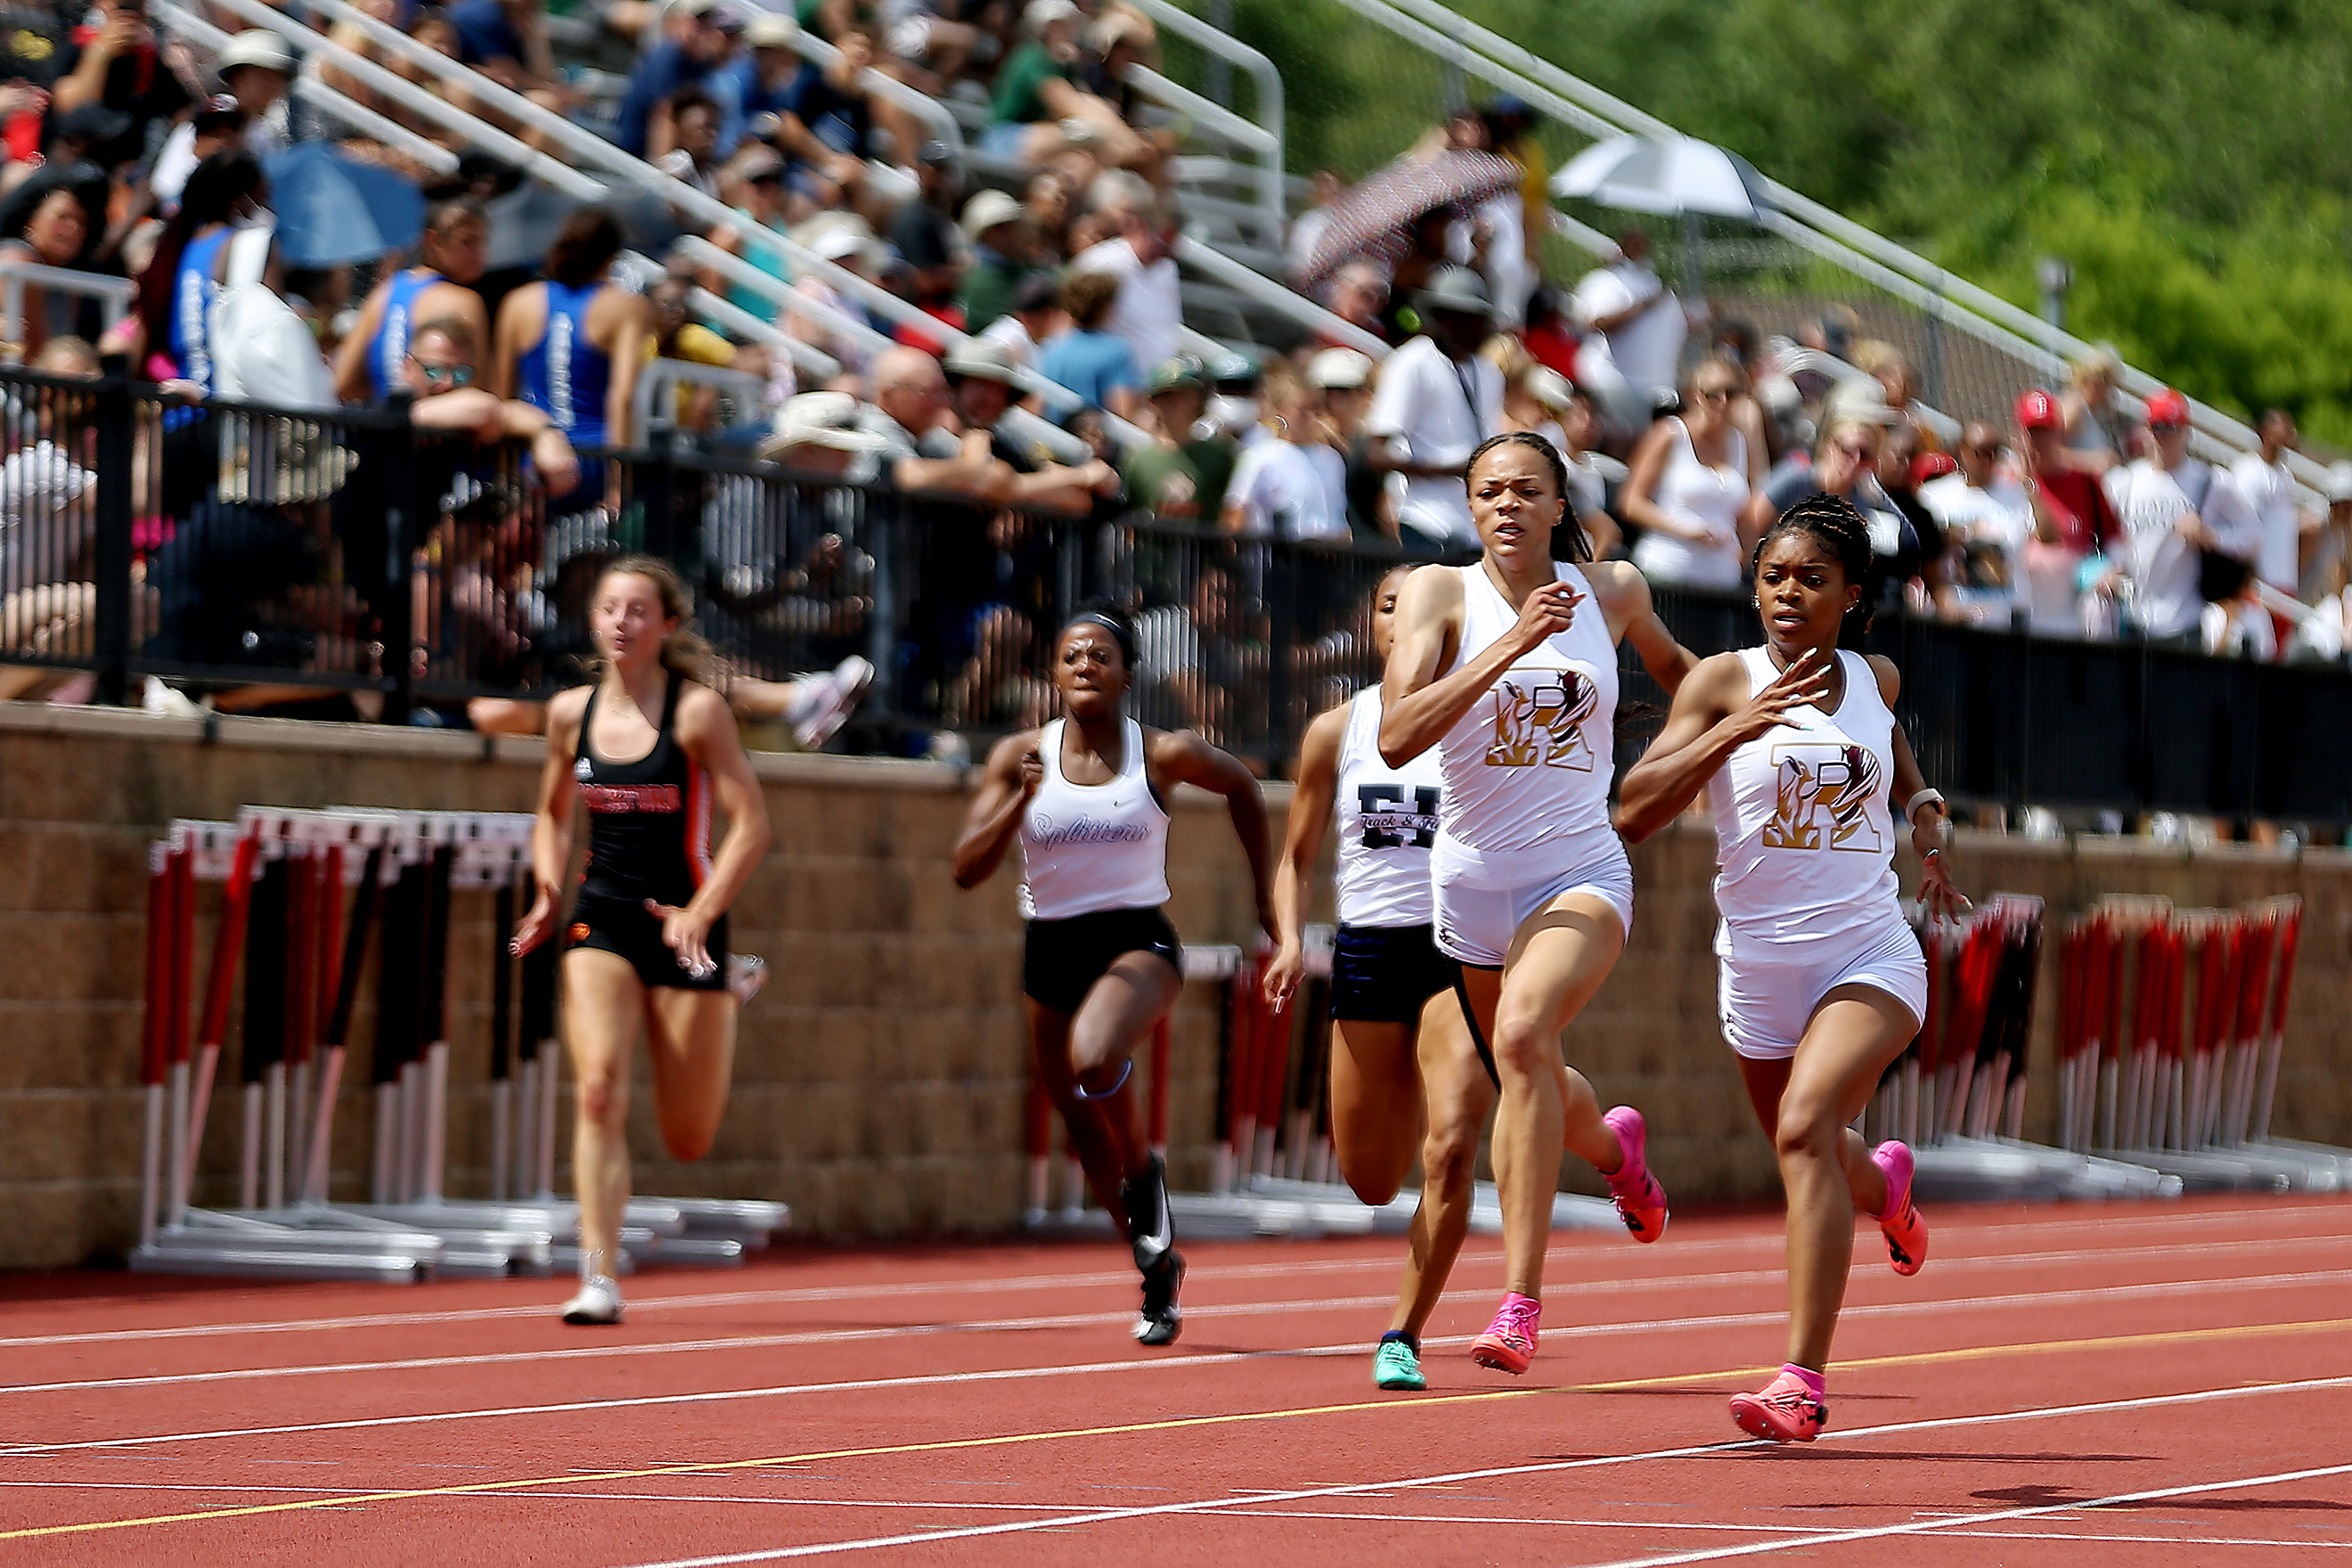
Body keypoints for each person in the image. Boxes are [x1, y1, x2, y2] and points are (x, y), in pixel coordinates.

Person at [1618, 492, 1966, 1443]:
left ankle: (1800, 1381)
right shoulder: (1721, 681)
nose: (1787, 593)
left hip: (1870, 953)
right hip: (1758, 969)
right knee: (1809, 1147)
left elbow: (1889, 743)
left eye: (1812, 579)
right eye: (1773, 575)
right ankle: (1888, 1191)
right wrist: (1735, 728)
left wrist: (1926, 806)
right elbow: (1632, 809)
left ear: (1853, 595)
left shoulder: (1873, 675)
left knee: (1807, 1127)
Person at [1377, 430, 1696, 1376]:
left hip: (1580, 866)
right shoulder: (1440, 593)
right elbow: (1397, 735)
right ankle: (1617, 1152)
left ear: (1562, 506)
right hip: (1472, 881)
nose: (1507, 504)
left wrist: (1677, 766)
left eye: (1527, 489)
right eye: (1488, 491)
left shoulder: (1616, 592)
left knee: (1521, 1039)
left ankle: (1519, 1301)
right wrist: (1513, 641)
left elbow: (1692, 681)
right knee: (1538, 1075)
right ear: (1470, 508)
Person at [951, 608, 1275, 1345]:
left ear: (1129, 674)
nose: (1086, 664)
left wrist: (1264, 894)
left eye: (1102, 655)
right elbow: (966, 870)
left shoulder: (1159, 755)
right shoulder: (1018, 758)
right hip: (1050, 949)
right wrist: (1015, 802)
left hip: (1138, 942)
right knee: (1080, 1127)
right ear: (1054, 676)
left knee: (1096, 1055)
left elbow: (1243, 788)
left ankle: (1144, 1165)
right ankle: (1155, 1265)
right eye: (1071, 656)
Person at [510, 556, 773, 1325]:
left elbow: (752, 826)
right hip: (604, 917)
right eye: (609, 608)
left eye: (638, 609)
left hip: (686, 925)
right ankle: (598, 1274)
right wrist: (549, 890)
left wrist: (701, 913)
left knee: (688, 1138)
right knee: (597, 1090)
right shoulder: (569, 715)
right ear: (593, 621)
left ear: (668, 625)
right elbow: (555, 813)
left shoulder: (697, 715)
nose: (622, 621)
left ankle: (730, 981)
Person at [1262, 566, 1486, 1392]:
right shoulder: (1338, 730)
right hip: (1369, 951)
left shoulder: (1486, 711)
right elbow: (1295, 859)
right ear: (1375, 624)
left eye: (1422, 607)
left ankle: (1403, 1333)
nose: (1406, 619)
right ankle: (1573, 1112)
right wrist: (1290, 939)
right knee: (1370, 1179)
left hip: (1461, 947)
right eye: (1391, 605)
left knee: (1453, 1147)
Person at [494, 207, 653, 484]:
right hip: (593, 463)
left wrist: (505, 471)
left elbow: (504, 397)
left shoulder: (518, 302)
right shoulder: (625, 307)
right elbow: (623, 398)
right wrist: (618, 482)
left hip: (536, 458)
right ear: (611, 257)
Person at [2102, 388, 2260, 644]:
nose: (2164, 437)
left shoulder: (2209, 481)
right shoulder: (2124, 482)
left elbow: (2254, 537)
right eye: (2157, 428)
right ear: (2145, 431)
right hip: (2133, 616)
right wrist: (2109, 566)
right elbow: (2102, 537)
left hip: (2186, 619)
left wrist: (2211, 536)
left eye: (2172, 428)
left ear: (2187, 432)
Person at [1364, 265, 1502, 551]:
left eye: (1475, 318)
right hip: (1427, 519)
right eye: (1459, 317)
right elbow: (1376, 454)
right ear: (1440, 317)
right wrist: (1449, 468)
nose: (1470, 327)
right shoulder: (1412, 363)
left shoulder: (1489, 372)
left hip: (1477, 525)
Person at [1621, 356, 1762, 591]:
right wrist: (1685, 529)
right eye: (1713, 394)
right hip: (1668, 574)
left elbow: (1745, 514)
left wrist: (1750, 564)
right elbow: (1630, 503)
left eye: (1732, 394)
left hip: (1722, 582)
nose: (1723, 402)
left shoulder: (1740, 442)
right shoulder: (1670, 434)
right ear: (1695, 396)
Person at [337, 196, 492, 404]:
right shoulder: (464, 301)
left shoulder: (386, 290)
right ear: (433, 241)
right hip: (435, 430)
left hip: (381, 425)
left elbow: (344, 384)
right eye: (467, 242)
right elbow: (478, 391)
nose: (480, 254)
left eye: (483, 243)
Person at [2014, 388, 2121, 635]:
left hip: (2076, 623)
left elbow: (2115, 537)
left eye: (2046, 432)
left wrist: (2110, 569)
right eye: (2033, 433)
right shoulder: (2007, 485)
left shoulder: (2084, 482)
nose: (2039, 441)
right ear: (2019, 435)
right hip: (2023, 622)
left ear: (2059, 433)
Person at [1069, 177, 1184, 383]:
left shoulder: (1167, 269)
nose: (1167, 246)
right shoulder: (1099, 263)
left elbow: (1168, 327)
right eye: (1162, 237)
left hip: (1157, 386)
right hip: (1114, 383)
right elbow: (1071, 324)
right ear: (1142, 227)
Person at [1920, 422, 2029, 625]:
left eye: (1994, 452)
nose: (1988, 459)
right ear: (1963, 451)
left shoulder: (2018, 497)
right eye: (1980, 452)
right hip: (1952, 614)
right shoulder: (1934, 497)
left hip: (2004, 616)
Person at [1572, 226, 1686, 407]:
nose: (1640, 249)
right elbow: (1596, 322)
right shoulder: (1605, 281)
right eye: (1634, 244)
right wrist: (1642, 306)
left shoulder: (1652, 281)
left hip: (1656, 388)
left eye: (1643, 245)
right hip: (1614, 385)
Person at [2232, 408, 2315, 605]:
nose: (2291, 431)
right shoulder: (2248, 471)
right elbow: (2243, 525)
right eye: (2284, 426)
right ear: (2266, 431)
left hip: (2284, 578)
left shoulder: (2285, 475)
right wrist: (2251, 577)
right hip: (2261, 582)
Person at [1036, 268, 1139, 421]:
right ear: (1105, 307)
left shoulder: (1052, 348)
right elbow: (1124, 412)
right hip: (1094, 441)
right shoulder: (1116, 352)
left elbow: (1040, 405)